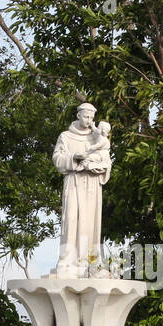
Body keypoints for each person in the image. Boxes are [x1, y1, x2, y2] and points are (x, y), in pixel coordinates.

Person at [51, 103, 111, 277]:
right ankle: (68, 261)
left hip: (92, 184)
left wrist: (96, 164)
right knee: (71, 219)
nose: (89, 121)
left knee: (91, 221)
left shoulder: (97, 137)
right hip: (74, 182)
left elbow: (106, 158)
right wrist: (74, 158)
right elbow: (57, 158)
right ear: (78, 116)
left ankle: (90, 262)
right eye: (86, 117)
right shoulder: (66, 136)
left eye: (92, 118)